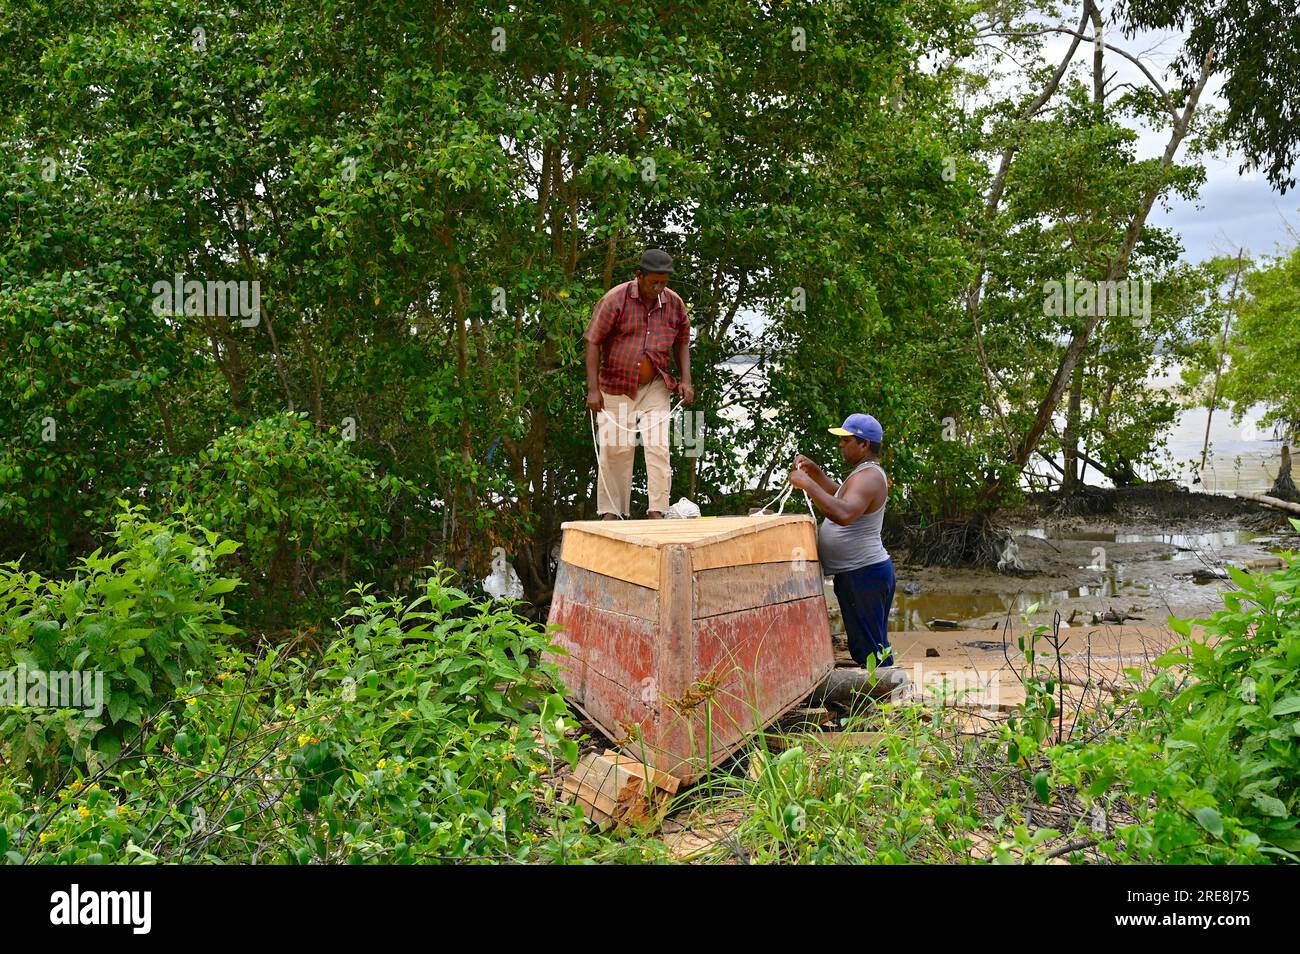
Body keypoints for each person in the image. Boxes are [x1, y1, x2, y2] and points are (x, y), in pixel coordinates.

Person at [584, 249, 694, 519]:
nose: (658, 288)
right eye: (653, 282)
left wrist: (686, 380)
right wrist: (593, 389)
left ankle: (658, 509)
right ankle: (612, 511)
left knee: (658, 447)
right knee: (617, 449)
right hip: (616, 385)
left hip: (655, 385)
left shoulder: (674, 303)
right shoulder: (615, 299)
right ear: (639, 276)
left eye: (664, 283)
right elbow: (593, 341)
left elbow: (682, 342)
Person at [788, 414, 896, 668]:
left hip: (863, 574)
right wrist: (815, 473)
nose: (841, 445)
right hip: (859, 574)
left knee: (872, 651)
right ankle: (882, 697)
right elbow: (839, 494)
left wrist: (806, 485)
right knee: (870, 646)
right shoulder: (861, 473)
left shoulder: (869, 477)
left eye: (846, 440)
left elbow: (843, 513)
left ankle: (883, 698)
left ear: (864, 444)